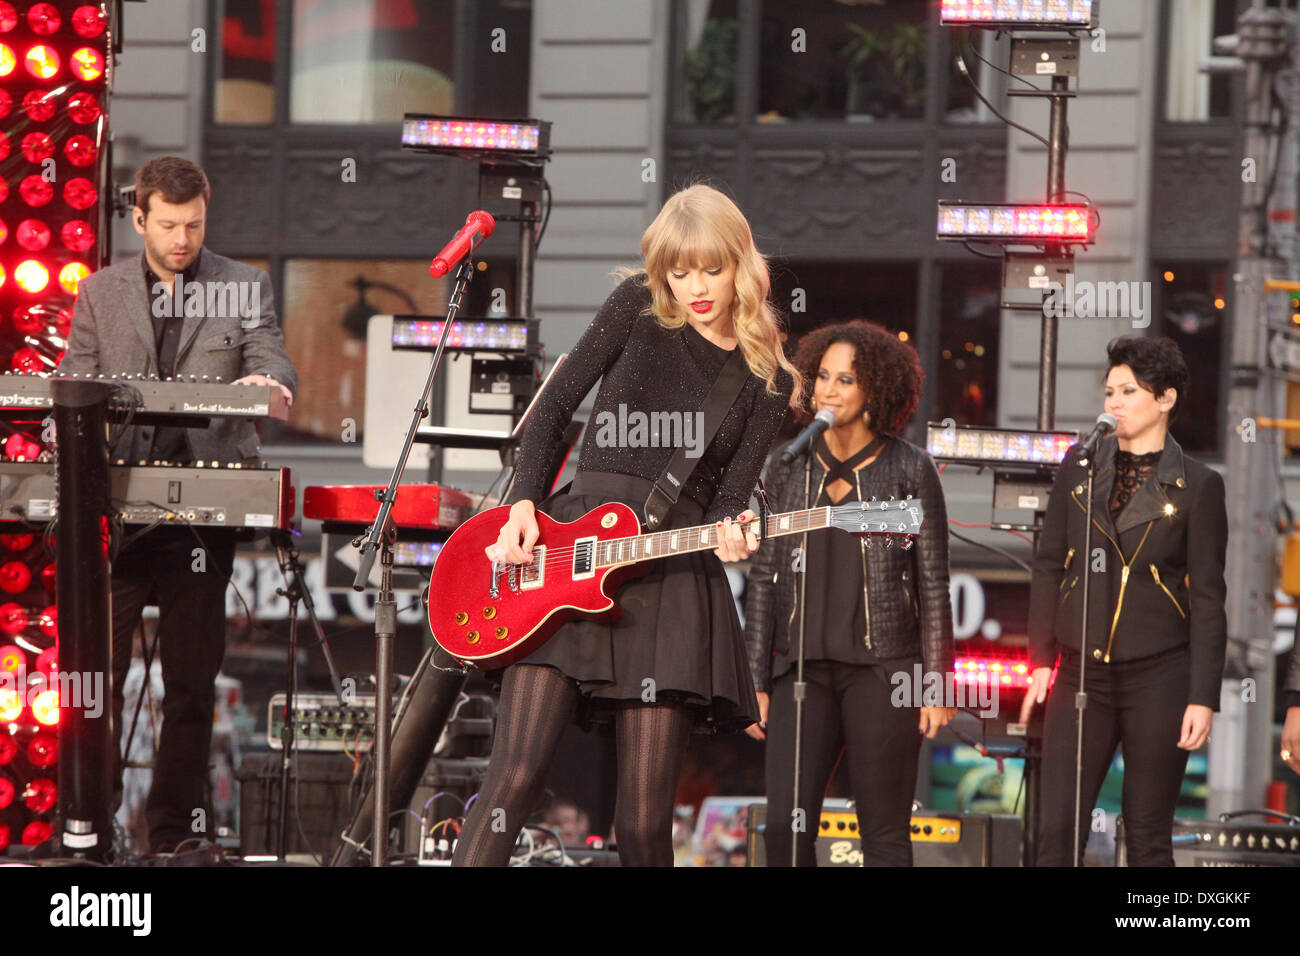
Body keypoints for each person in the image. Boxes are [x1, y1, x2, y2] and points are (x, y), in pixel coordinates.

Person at [451, 184, 799, 867]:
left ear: (740, 263)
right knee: (512, 779)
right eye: (678, 271)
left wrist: (734, 536)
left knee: (642, 826)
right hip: (572, 548)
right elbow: (551, 414)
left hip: (669, 576)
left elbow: (732, 497)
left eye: (710, 269)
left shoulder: (768, 377)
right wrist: (524, 504)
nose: (694, 287)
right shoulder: (635, 309)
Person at [60, 156, 298, 853]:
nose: (182, 239)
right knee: (92, 677)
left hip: (202, 514)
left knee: (191, 686)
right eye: (167, 225)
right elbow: (74, 382)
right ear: (139, 218)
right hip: (118, 512)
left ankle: (173, 834)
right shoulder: (101, 293)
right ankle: (86, 826)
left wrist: (269, 382)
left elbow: (272, 358)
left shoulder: (243, 286)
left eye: (193, 225)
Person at [743, 320, 955, 867]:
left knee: (884, 834)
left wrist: (935, 682)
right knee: (785, 834)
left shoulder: (910, 468)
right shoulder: (785, 465)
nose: (829, 390)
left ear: (875, 391)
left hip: (884, 671)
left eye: (846, 380)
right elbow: (762, 577)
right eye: (822, 377)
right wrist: (754, 681)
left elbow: (933, 581)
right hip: (801, 672)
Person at [1019, 335, 1227, 866]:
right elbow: (1048, 564)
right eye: (1109, 390)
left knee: (1147, 833)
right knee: (1055, 830)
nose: (1112, 402)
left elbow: (1207, 597)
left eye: (1128, 391)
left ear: (1166, 399)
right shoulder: (1080, 467)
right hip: (1080, 674)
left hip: (1159, 674)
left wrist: (1203, 696)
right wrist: (1041, 656)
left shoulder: (1199, 486)